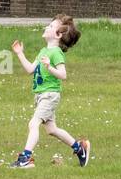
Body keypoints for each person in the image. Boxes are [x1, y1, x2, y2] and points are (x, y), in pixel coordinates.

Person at [9, 14, 90, 169]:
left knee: (33, 124)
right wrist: (20, 54)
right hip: (41, 95)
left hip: (50, 95)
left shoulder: (56, 53)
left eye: (51, 26)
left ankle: (26, 158)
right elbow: (30, 70)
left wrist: (49, 67)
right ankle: (80, 148)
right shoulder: (43, 51)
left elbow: (63, 75)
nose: (47, 27)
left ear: (58, 35)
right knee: (52, 129)